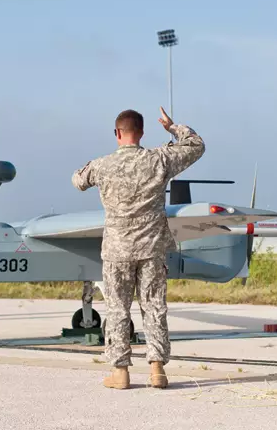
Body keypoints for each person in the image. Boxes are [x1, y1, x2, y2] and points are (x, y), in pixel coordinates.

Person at [72, 106, 205, 390]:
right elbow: (196, 145)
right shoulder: (159, 159)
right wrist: (172, 128)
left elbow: (78, 181)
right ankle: (157, 370)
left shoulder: (102, 164)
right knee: (154, 307)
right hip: (152, 248)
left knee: (118, 309)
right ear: (142, 132)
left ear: (117, 134)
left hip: (117, 251)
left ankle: (120, 373)